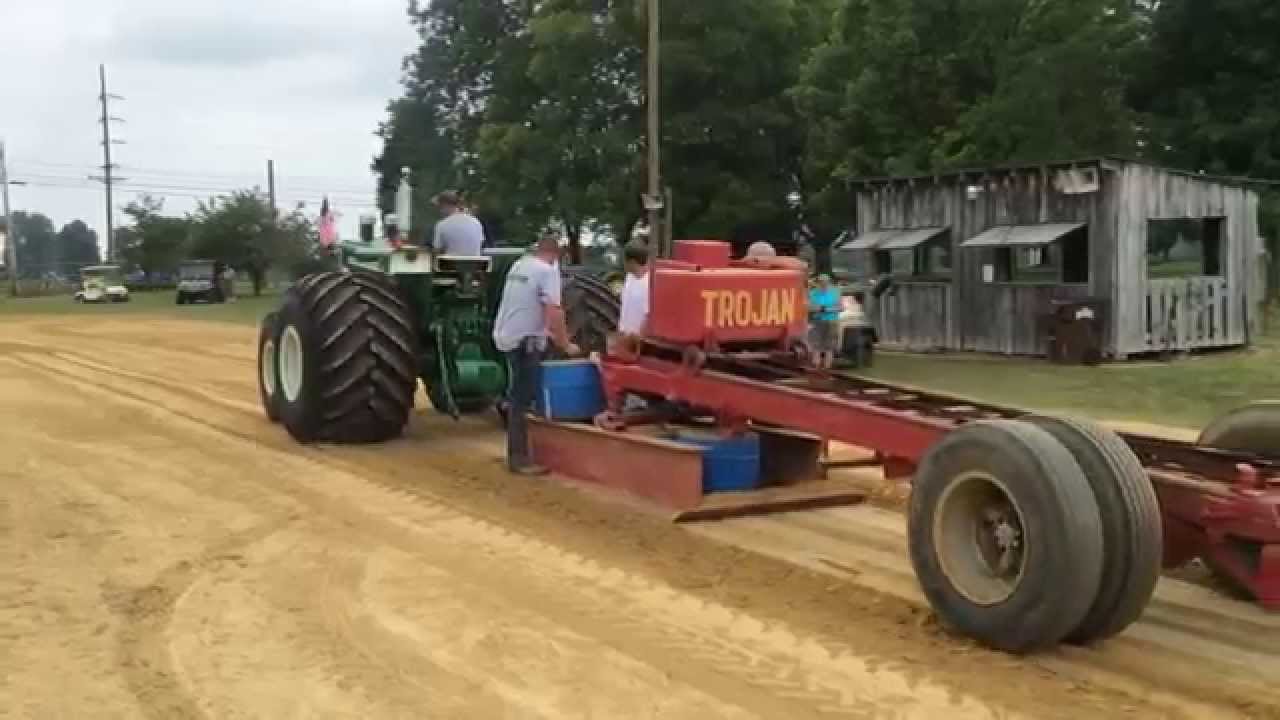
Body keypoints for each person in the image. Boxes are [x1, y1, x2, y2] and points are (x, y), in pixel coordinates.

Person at [492, 232, 581, 476]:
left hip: (506, 334)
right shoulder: (547, 271)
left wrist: (548, 334)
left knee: (517, 394)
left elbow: (529, 303)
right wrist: (566, 345)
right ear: (555, 255)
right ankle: (519, 459)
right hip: (526, 340)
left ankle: (522, 447)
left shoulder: (519, 265)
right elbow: (554, 311)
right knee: (522, 399)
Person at [430, 190, 486, 256]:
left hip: (452, 262)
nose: (439, 211)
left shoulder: (441, 225)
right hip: (475, 262)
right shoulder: (476, 222)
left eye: (440, 207)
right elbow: (481, 246)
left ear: (446, 205)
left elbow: (437, 251)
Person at [617, 242, 651, 337]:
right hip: (624, 335)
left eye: (624, 260)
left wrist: (638, 339)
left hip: (636, 339)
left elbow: (648, 316)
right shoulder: (629, 277)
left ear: (632, 262)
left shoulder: (649, 283)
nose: (623, 263)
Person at [808, 274, 841, 369]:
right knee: (816, 344)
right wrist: (823, 309)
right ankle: (816, 365)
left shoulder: (835, 293)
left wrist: (824, 309)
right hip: (817, 321)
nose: (823, 284)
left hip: (831, 321)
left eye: (825, 282)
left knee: (829, 346)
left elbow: (840, 307)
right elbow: (809, 307)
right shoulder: (813, 293)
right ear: (818, 283)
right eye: (821, 282)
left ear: (829, 282)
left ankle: (827, 367)